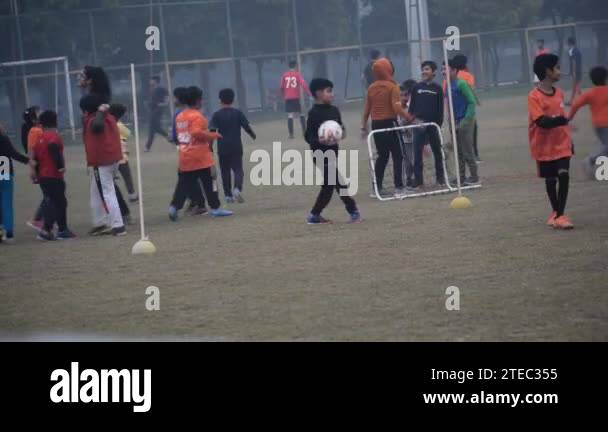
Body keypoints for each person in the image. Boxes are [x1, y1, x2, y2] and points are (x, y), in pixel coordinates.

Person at [169, 86, 233, 221]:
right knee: (211, 182)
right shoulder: (197, 116)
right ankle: (216, 208)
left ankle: (174, 207)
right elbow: (196, 132)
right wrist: (212, 135)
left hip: (185, 155)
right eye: (201, 99)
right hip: (200, 156)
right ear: (198, 100)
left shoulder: (180, 116)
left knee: (184, 184)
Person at [79, 65, 126, 236]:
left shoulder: (96, 115)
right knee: (95, 189)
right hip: (109, 156)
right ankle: (100, 221)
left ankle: (118, 224)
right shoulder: (103, 106)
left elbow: (96, 126)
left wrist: (99, 112)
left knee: (107, 191)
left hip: (102, 157)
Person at [305, 78, 360, 225]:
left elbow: (341, 129)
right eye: (328, 91)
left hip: (333, 153)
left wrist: (340, 133)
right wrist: (320, 140)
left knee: (329, 186)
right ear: (318, 93)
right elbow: (308, 136)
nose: (332, 94)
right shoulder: (313, 113)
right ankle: (353, 211)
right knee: (339, 182)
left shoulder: (334, 110)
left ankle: (314, 215)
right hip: (320, 154)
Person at [529, 53, 574, 230]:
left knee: (563, 174)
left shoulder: (560, 94)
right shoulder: (534, 96)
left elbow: (561, 121)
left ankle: (561, 215)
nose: (559, 72)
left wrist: (571, 140)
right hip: (543, 146)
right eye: (557, 68)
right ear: (547, 71)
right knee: (550, 180)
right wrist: (561, 120)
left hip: (562, 143)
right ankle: (555, 212)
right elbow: (541, 121)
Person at [361, 58, 413, 195]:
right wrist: (410, 118)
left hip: (376, 125)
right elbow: (396, 107)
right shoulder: (392, 86)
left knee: (382, 156)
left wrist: (363, 127)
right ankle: (399, 187)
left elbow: (367, 109)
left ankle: (377, 188)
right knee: (398, 155)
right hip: (390, 124)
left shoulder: (371, 87)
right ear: (388, 70)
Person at [31, 111, 76, 241]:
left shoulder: (40, 138)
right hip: (53, 175)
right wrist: (60, 166)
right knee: (60, 202)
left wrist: (36, 172)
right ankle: (61, 230)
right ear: (55, 121)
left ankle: (47, 230)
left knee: (51, 202)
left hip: (43, 176)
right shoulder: (53, 136)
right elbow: (53, 148)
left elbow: (35, 158)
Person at [210, 88, 256, 203]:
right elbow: (246, 127)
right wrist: (253, 135)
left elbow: (212, 131)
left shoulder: (216, 115)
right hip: (236, 146)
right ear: (233, 100)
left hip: (222, 147)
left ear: (220, 100)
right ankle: (237, 188)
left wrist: (209, 145)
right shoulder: (238, 113)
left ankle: (228, 195)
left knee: (225, 171)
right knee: (238, 169)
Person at [408, 61, 446, 190]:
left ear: (433, 72)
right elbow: (411, 108)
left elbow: (440, 109)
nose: (424, 72)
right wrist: (413, 121)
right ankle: (419, 183)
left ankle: (440, 180)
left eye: (427, 69)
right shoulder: (416, 88)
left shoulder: (437, 88)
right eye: (423, 69)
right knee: (417, 154)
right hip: (419, 126)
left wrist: (438, 125)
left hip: (433, 125)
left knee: (437, 152)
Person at [568, 66, 608, 178]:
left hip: (597, 125)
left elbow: (576, 104)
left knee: (605, 147)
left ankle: (602, 170)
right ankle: (590, 160)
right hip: (605, 125)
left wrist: (569, 118)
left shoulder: (590, 93)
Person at [445, 59, 479, 185]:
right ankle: (461, 177)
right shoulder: (447, 85)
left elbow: (471, 102)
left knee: (467, 151)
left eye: (446, 69)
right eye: (443, 69)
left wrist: (465, 121)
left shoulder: (461, 84)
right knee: (457, 151)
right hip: (454, 122)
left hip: (465, 121)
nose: (444, 72)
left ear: (454, 70)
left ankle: (474, 177)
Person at [0, 124, 30, 243]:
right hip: (3, 166)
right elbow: (13, 153)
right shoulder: (3, 138)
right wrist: (28, 161)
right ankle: (9, 233)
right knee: (6, 202)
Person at [450, 54, 481, 161]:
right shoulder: (468, 75)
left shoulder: (450, 77)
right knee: (472, 133)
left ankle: (460, 157)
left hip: (455, 113)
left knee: (457, 137)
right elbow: (471, 90)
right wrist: (477, 101)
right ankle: (475, 155)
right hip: (467, 111)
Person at [109, 104, 138, 203]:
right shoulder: (118, 125)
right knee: (127, 176)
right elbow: (129, 134)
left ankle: (111, 196)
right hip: (121, 156)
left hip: (110, 157)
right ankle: (132, 195)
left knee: (110, 178)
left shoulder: (107, 124)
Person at [24, 109, 45, 232]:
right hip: (39, 166)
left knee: (48, 194)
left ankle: (42, 220)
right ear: (34, 119)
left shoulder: (41, 129)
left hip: (44, 165)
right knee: (49, 195)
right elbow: (31, 150)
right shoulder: (34, 131)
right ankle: (37, 220)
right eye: (39, 114)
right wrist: (32, 169)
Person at [280, 60, 311, 139]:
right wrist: (309, 93)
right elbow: (303, 84)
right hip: (296, 98)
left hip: (288, 98)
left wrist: (283, 95)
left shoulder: (284, 75)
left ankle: (291, 134)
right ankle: (304, 132)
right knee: (301, 114)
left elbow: (281, 87)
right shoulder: (297, 75)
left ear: (289, 66)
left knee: (290, 115)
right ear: (295, 66)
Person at [399, 80, 418, 188]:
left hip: (413, 138)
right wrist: (403, 125)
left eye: (406, 95)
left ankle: (415, 178)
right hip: (403, 140)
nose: (404, 98)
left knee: (414, 159)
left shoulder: (411, 107)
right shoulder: (396, 109)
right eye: (401, 95)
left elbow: (414, 118)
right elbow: (398, 123)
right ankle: (408, 179)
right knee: (406, 161)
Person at [145, 75, 169, 151]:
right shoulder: (152, 90)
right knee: (155, 129)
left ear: (155, 81)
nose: (150, 81)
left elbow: (167, 96)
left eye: (151, 80)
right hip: (152, 111)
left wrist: (164, 104)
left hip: (158, 110)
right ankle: (147, 147)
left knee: (153, 128)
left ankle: (147, 147)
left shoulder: (161, 89)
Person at [567, 37, 583, 106]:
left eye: (568, 43)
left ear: (569, 43)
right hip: (579, 70)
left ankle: (571, 101)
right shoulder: (577, 50)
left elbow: (574, 61)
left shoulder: (572, 51)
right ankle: (583, 100)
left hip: (576, 71)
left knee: (574, 86)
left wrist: (573, 72)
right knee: (578, 87)